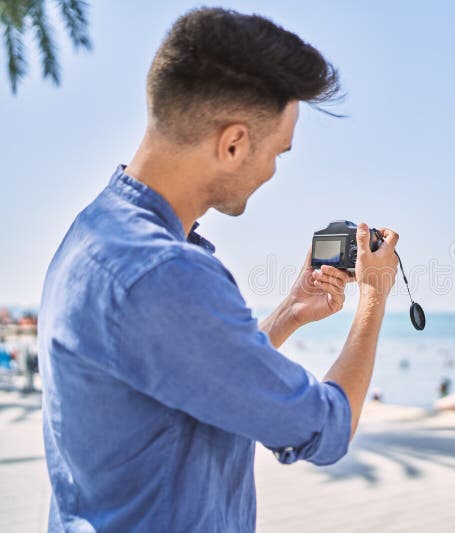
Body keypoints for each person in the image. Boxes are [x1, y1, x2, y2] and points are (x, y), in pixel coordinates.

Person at [38, 8, 399, 531]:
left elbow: (194, 373)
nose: (273, 171)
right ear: (233, 143)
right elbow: (324, 429)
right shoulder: (163, 273)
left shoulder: (97, 231)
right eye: (278, 152)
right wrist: (374, 299)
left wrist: (291, 312)